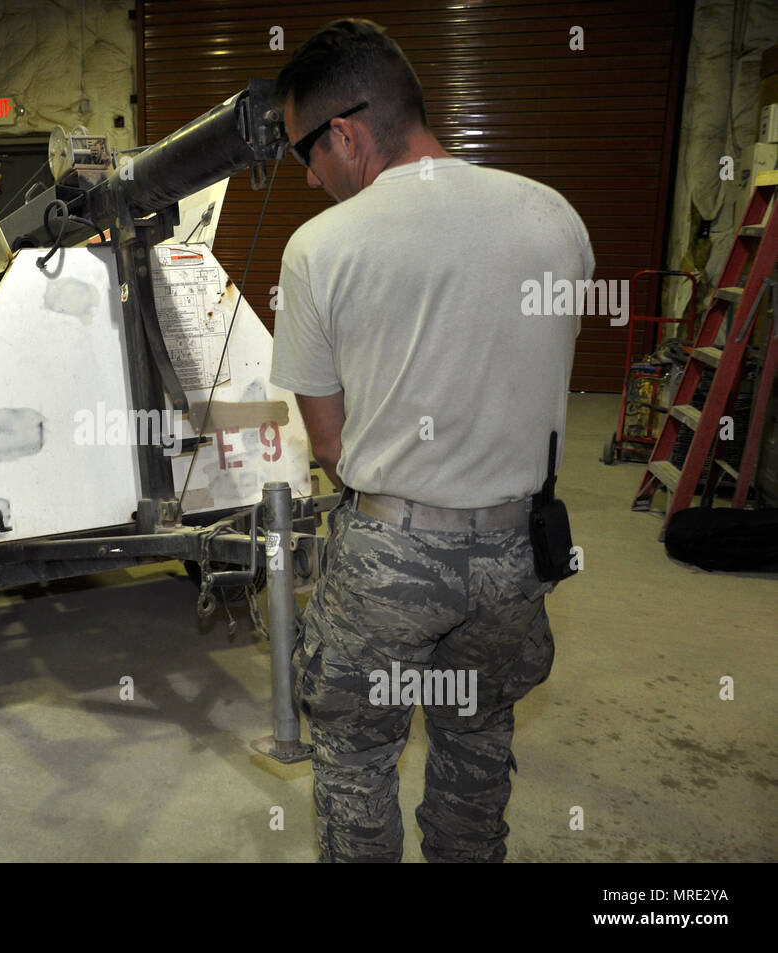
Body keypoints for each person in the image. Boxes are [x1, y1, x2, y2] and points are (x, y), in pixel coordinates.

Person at [269, 18, 594, 862]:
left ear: (345, 132)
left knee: (357, 751)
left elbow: (332, 447)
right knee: (478, 740)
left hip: (390, 556)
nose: (306, 177)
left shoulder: (320, 249)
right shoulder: (554, 217)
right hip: (517, 552)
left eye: (304, 150)